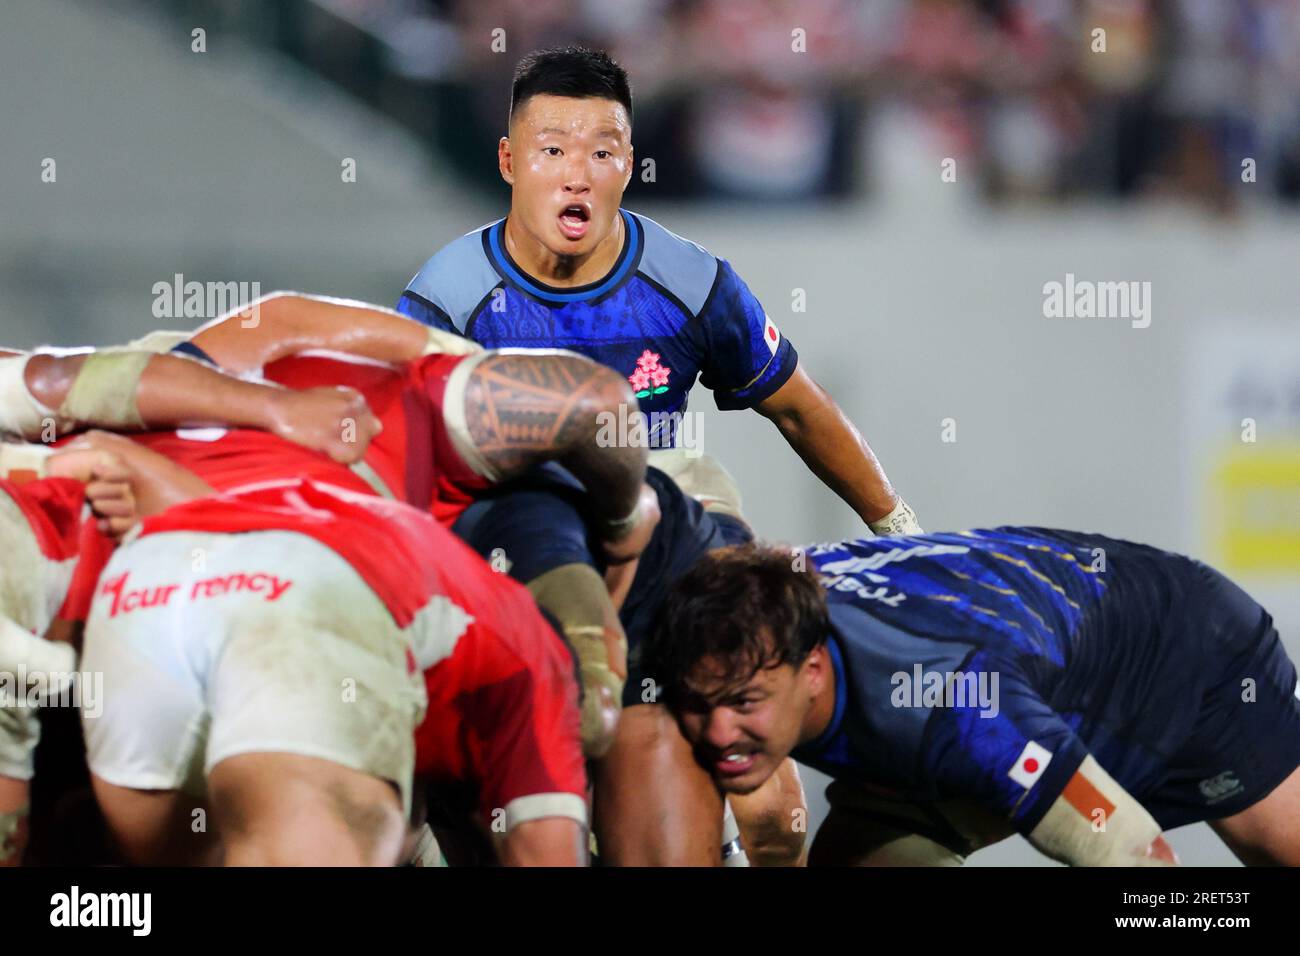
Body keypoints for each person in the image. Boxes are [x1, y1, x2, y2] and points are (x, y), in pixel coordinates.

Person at [396, 45, 921, 537]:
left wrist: (900, 531)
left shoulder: (690, 282)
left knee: (722, 541)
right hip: (513, 518)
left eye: (601, 154)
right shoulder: (448, 297)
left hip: (657, 508)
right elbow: (402, 448)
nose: (577, 176)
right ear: (509, 162)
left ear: (627, 163)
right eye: (552, 150)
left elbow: (797, 408)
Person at [644, 529, 1300, 866]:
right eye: (701, 706)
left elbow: (1128, 851)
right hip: (1002, 670)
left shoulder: (971, 710)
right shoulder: (749, 615)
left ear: (812, 669)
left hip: (1193, 659)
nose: (718, 732)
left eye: (746, 704)